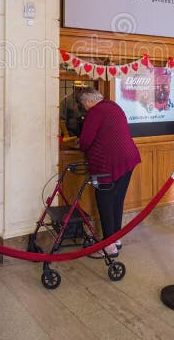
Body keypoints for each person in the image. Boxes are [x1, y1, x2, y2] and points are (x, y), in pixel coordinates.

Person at [75, 86, 141, 258]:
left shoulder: (95, 112)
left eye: (83, 105)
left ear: (88, 101)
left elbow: (85, 142)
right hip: (128, 159)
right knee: (117, 200)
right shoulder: (113, 106)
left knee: (105, 201)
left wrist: (78, 142)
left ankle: (108, 246)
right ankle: (115, 239)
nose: (85, 108)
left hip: (108, 164)